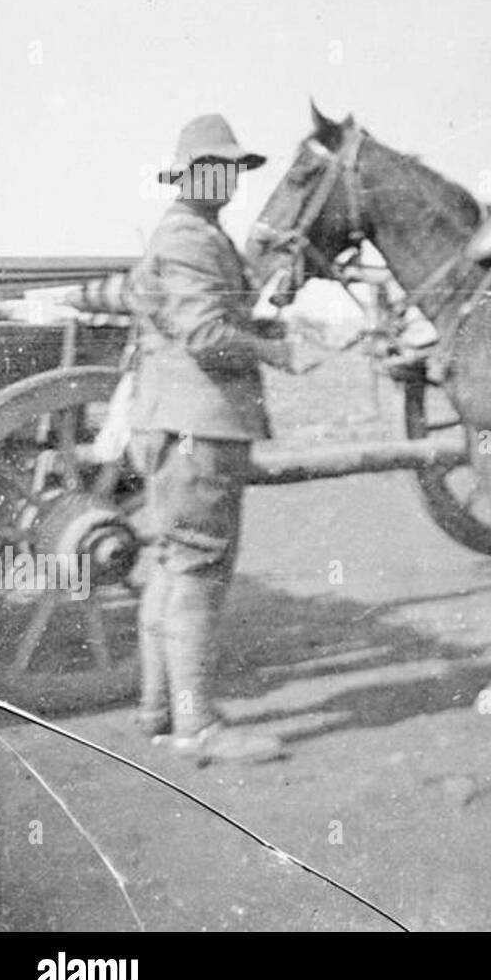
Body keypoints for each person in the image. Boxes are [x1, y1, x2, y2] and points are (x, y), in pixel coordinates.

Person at [128, 114, 322, 765]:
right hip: (198, 427)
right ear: (189, 174)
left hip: (179, 422)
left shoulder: (200, 234)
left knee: (171, 562)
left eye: (234, 168)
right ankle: (198, 726)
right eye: (217, 167)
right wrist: (281, 352)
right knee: (199, 567)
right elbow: (207, 334)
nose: (229, 179)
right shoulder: (186, 237)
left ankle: (161, 709)